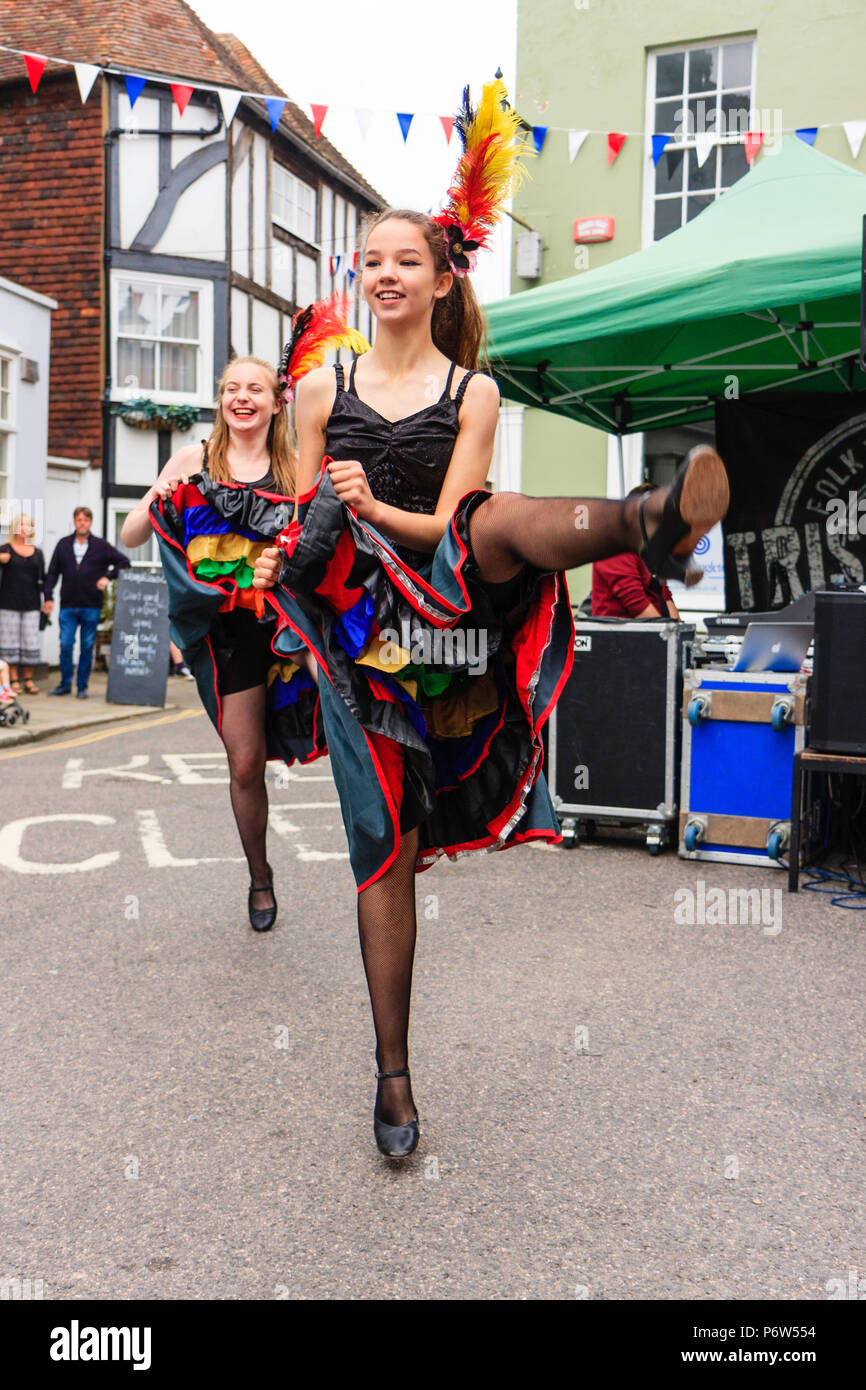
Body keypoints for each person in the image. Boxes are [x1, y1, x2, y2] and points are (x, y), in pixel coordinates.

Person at [248, 79, 730, 1161]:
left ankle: (646, 517)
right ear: (357, 278)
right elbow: (307, 526)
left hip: (452, 602)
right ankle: (393, 1074)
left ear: (438, 277)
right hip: (366, 649)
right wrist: (298, 537)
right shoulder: (319, 391)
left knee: (488, 519)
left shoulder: (474, 391)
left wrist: (379, 506)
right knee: (383, 850)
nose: (382, 274)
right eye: (368, 260)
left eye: (403, 260)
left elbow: (438, 526)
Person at [122, 301, 366, 931]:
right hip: (231, 632)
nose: (241, 397)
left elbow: (331, 537)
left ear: (277, 401)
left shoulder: (293, 468)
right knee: (243, 763)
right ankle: (260, 875)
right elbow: (128, 535)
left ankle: (390, 842)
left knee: (362, 714)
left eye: (254, 388)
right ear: (221, 400)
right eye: (231, 388)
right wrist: (161, 495)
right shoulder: (191, 461)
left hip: (294, 618)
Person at [43, 507, 130, 698]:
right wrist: (48, 597)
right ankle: (65, 684)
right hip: (68, 605)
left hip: (91, 604)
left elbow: (124, 562)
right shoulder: (63, 544)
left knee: (86, 646)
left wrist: (107, 577)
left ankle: (82, 686)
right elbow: (52, 573)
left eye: (85, 520)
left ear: (90, 522)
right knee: (66, 644)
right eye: (79, 520)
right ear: (74, 522)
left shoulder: (101, 546)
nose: (82, 523)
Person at [0, 513, 46, 693]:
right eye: (21, 525)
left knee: (30, 642)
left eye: (28, 525)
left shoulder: (38, 553)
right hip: (8, 603)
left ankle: (28, 679)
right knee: (9, 643)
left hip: (31, 604)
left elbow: (43, 578)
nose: (25, 529)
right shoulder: (5, 549)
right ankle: (13, 680)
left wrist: (46, 601)